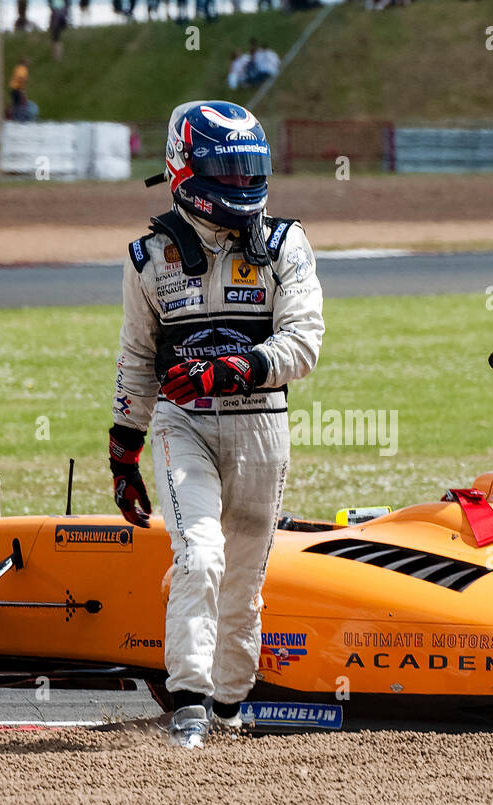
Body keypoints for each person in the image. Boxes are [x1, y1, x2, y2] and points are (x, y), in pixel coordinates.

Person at [110, 101, 324, 749]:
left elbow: (304, 345)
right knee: (198, 556)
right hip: (186, 429)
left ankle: (231, 703)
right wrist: (124, 448)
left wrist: (229, 369)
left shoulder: (287, 244)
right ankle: (190, 703)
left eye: (248, 169)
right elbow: (138, 357)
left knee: (244, 580)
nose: (239, 184)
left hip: (262, 427)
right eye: (224, 169)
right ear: (184, 169)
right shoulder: (148, 256)